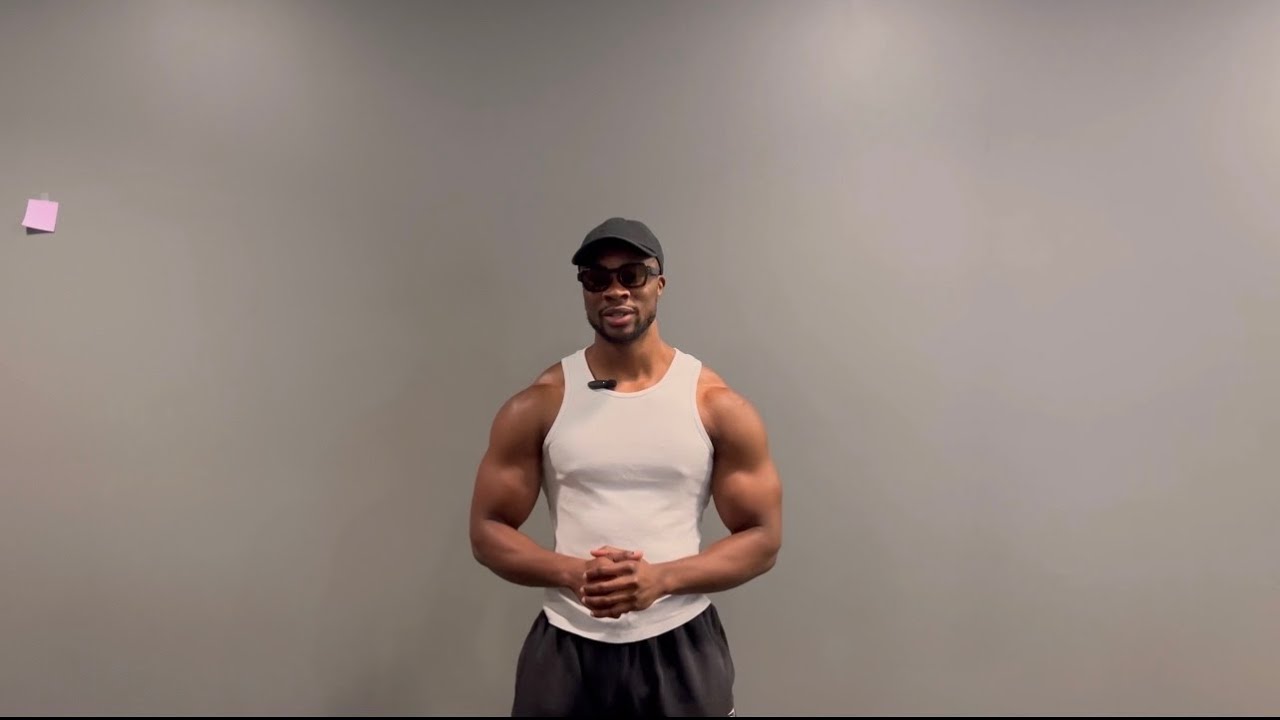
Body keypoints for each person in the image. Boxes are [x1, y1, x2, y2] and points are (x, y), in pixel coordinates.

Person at [469, 217, 783, 717]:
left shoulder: (715, 405)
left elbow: (763, 539)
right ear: (585, 290)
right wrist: (573, 573)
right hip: (567, 646)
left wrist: (661, 580)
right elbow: (487, 530)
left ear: (660, 283)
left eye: (632, 275)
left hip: (680, 643)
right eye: (597, 279)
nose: (615, 290)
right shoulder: (541, 402)